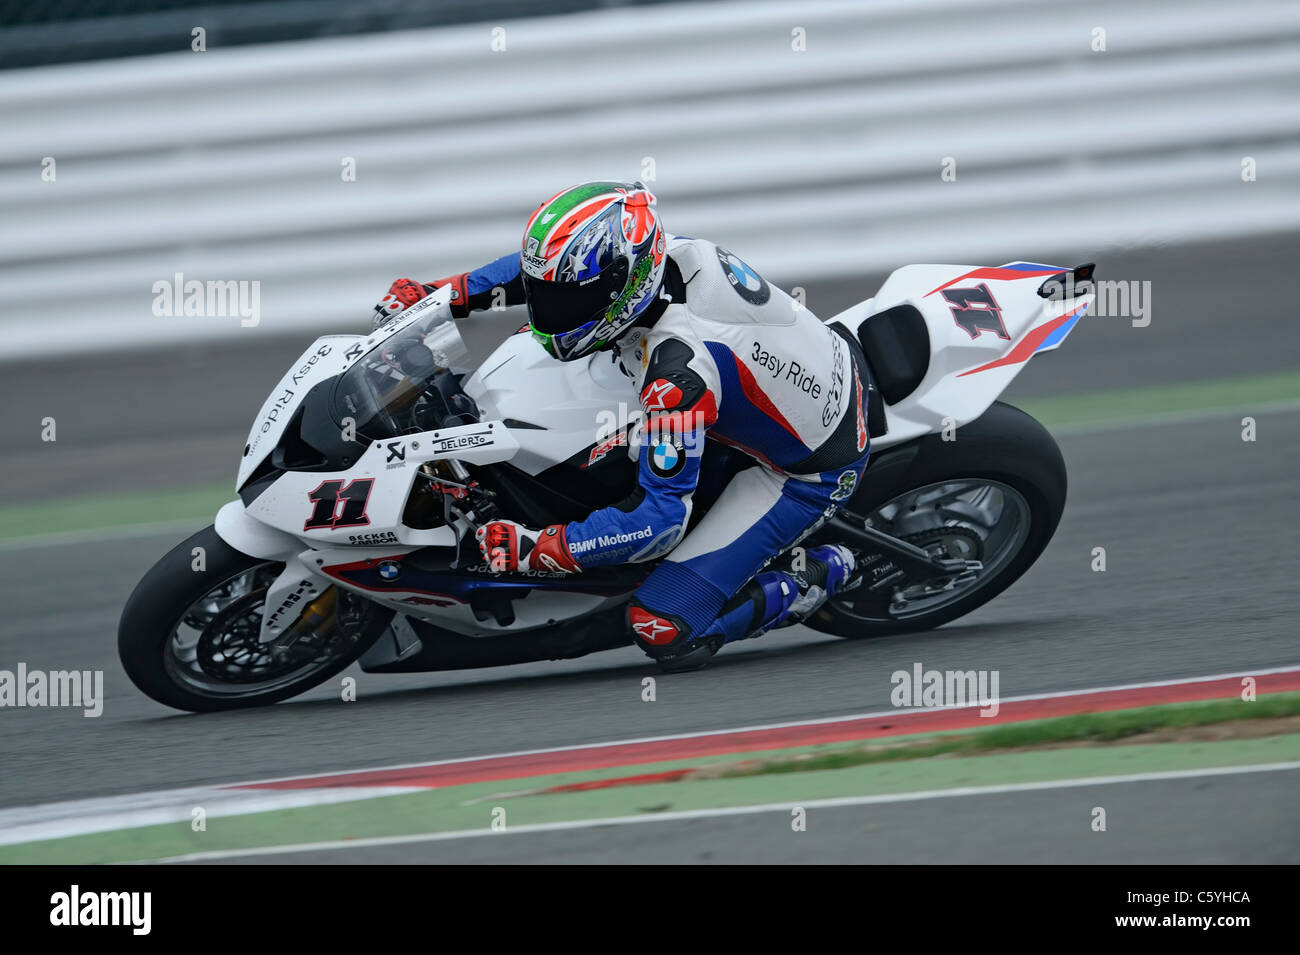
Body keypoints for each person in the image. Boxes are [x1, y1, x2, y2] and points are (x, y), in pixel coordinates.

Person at [374, 181, 869, 670]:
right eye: (547, 295)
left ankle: (814, 577)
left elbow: (658, 523)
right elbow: (533, 273)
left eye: (564, 302)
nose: (546, 312)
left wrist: (537, 549)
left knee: (662, 627)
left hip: (803, 474)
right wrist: (440, 296)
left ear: (623, 288)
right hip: (784, 375)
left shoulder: (678, 376)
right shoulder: (655, 254)